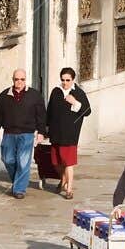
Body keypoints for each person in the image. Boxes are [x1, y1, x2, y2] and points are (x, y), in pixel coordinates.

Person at [0, 69, 46, 199]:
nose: (19, 82)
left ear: (26, 80)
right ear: (13, 80)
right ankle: (18, 180)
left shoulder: (35, 95)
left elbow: (41, 115)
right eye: (17, 79)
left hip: (27, 134)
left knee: (23, 162)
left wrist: (41, 132)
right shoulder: (4, 95)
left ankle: (19, 189)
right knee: (7, 159)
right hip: (9, 133)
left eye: (22, 79)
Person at [44, 67, 92, 201]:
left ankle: (69, 189)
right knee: (56, 162)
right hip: (56, 133)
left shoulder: (79, 93)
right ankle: (63, 179)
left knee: (68, 163)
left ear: (73, 80)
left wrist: (75, 102)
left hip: (70, 134)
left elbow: (87, 111)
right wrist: (45, 129)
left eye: (68, 80)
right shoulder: (56, 91)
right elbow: (50, 111)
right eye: (63, 80)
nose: (65, 83)